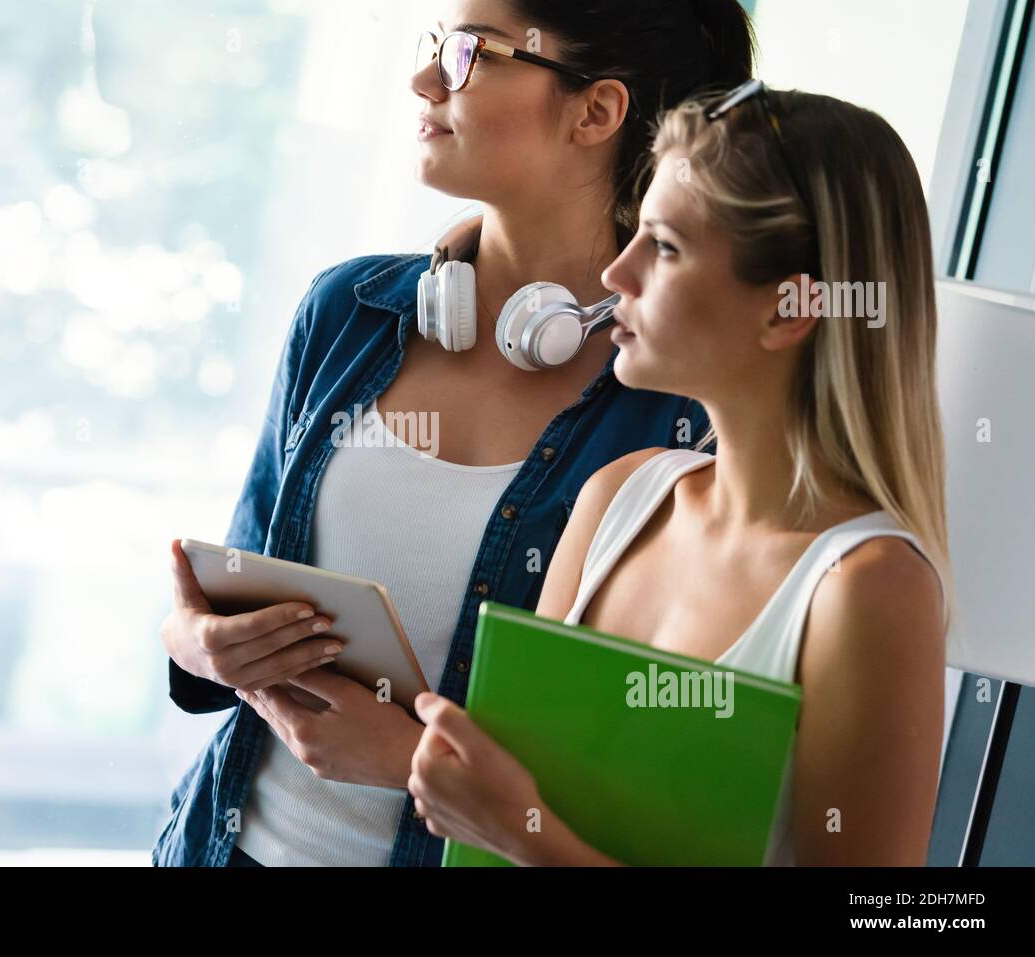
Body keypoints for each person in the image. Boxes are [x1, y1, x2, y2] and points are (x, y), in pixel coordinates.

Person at [154, 0, 758, 867]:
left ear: (597, 111)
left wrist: (411, 764)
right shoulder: (348, 311)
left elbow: (641, 790)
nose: (424, 78)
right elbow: (231, 590)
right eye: (434, 44)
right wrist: (197, 645)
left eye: (470, 53)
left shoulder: (682, 419)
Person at [407, 83, 953, 866]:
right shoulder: (618, 496)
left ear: (789, 307)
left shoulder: (867, 590)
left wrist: (521, 834)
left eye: (663, 247)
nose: (615, 275)